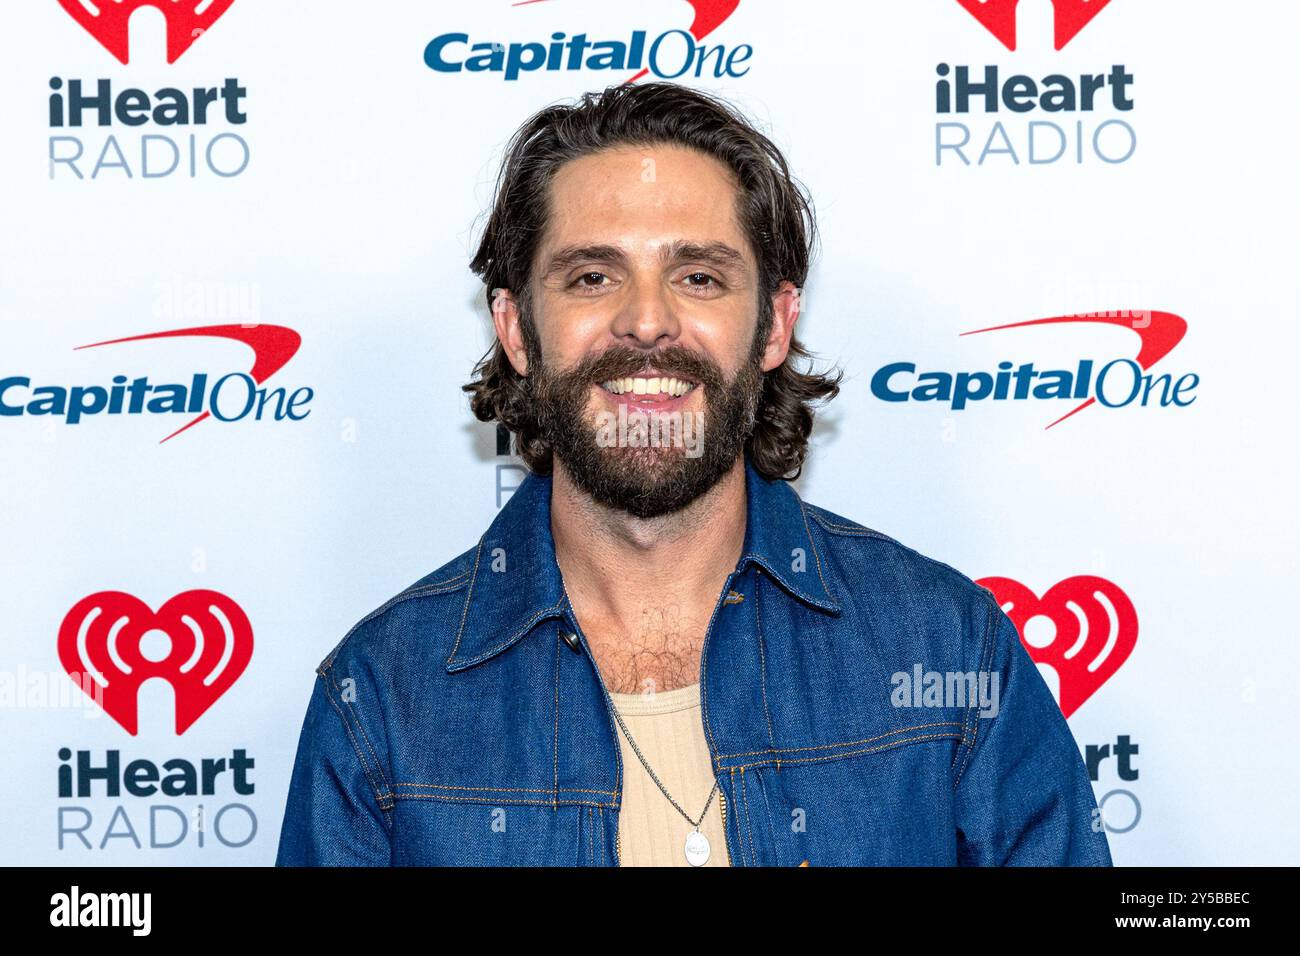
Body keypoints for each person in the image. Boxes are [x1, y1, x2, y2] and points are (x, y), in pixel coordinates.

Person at [275, 81, 1112, 867]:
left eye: (699, 277)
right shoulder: (382, 697)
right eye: (593, 277)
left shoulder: (947, 647)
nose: (647, 321)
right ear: (517, 331)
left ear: (776, 325)